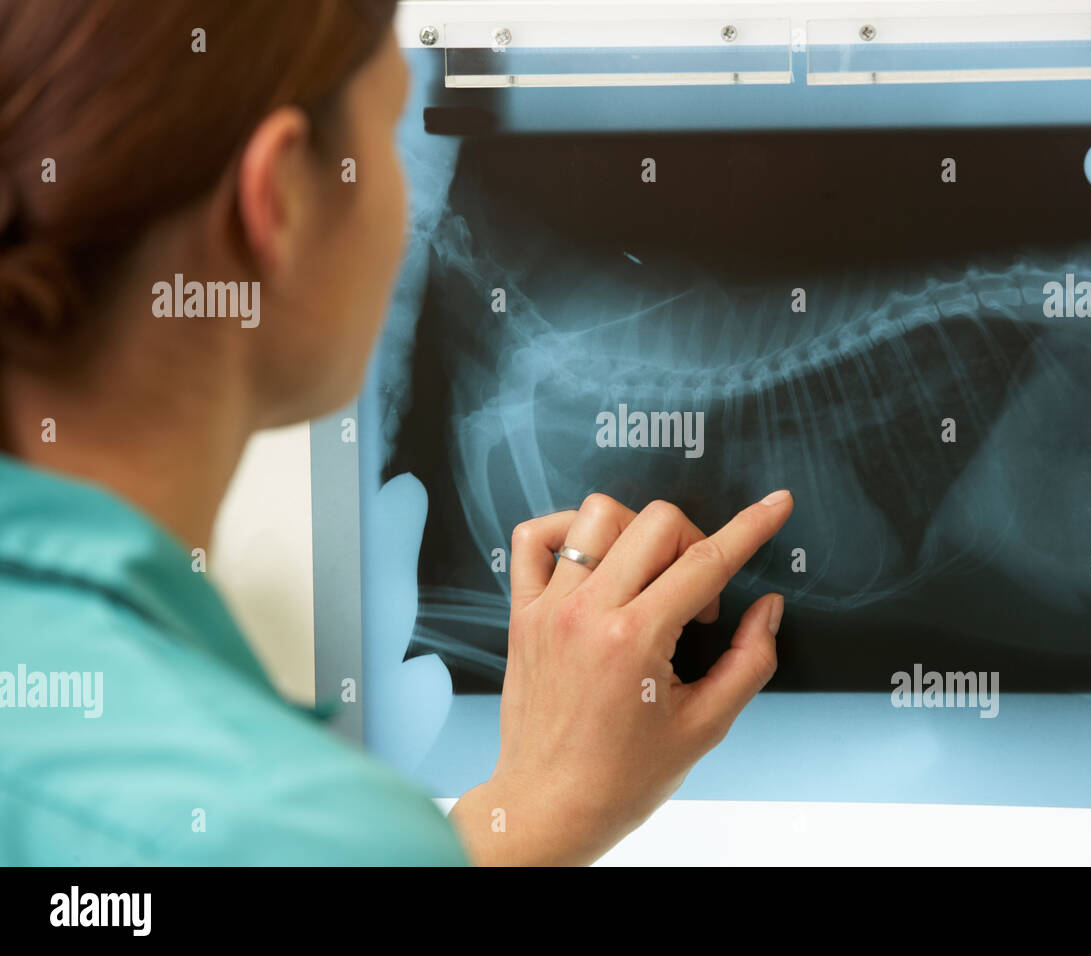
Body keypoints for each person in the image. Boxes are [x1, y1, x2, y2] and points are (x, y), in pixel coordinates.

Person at [0, 0, 792, 865]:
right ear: (280, 201)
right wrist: (528, 806)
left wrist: (526, 811)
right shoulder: (284, 827)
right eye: (387, 139)